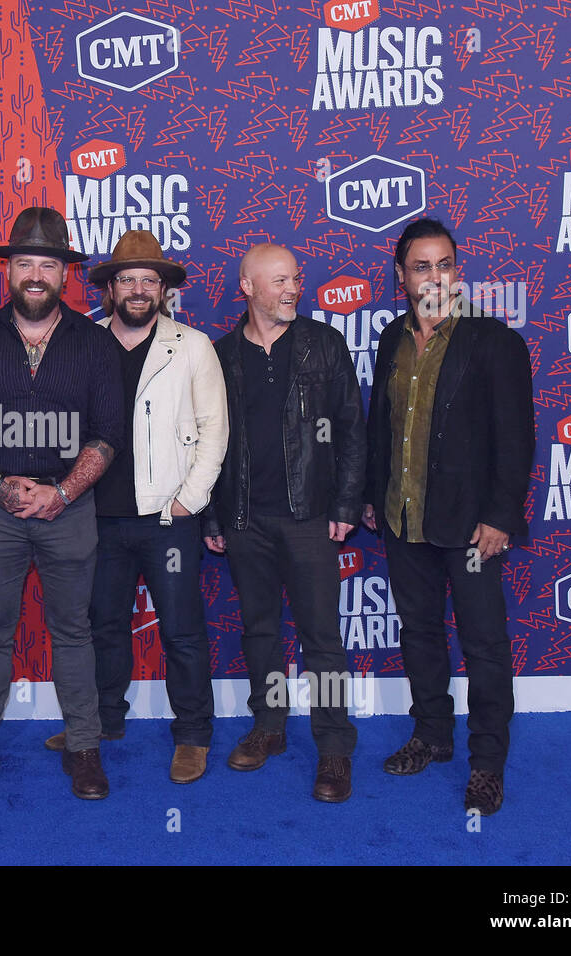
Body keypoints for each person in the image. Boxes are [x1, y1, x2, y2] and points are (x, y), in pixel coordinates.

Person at [0, 207, 123, 800]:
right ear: (7, 270)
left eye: (48, 263)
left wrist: (62, 492)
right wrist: (0, 486)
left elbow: (108, 432)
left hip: (71, 509)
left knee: (73, 631)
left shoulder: (93, 344)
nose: (35, 274)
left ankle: (85, 748)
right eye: (24, 263)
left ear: (65, 274)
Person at [363, 218, 534, 815]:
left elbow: (516, 441)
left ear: (457, 270)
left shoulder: (494, 342)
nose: (434, 276)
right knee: (421, 634)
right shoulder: (390, 338)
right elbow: (380, 427)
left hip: (471, 526)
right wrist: (371, 491)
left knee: (484, 644)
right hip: (403, 518)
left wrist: (500, 516)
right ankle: (432, 735)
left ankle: (487, 763)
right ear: (401, 277)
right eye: (421, 266)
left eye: (444, 264)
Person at [43, 229, 226, 784]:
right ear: (110, 288)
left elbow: (213, 429)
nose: (139, 289)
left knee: (183, 630)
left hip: (168, 518)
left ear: (164, 289)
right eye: (128, 279)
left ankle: (192, 733)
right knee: (104, 626)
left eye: (150, 279)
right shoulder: (84, 341)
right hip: (97, 514)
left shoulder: (193, 346)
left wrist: (191, 499)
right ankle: (103, 721)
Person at [204, 243, 365, 803]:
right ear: (247, 287)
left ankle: (334, 748)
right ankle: (268, 728)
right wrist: (214, 513)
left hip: (310, 520)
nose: (292, 289)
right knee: (261, 633)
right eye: (277, 281)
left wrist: (346, 506)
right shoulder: (220, 356)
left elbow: (351, 432)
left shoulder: (324, 345)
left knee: (322, 639)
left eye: (295, 278)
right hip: (246, 520)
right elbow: (206, 442)